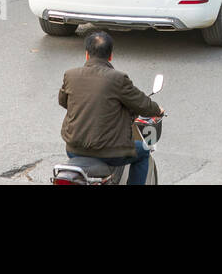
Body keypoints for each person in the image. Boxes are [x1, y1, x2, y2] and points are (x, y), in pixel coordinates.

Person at [59, 31, 163, 186]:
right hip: (109, 153)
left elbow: (63, 101)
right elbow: (142, 104)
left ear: (87, 54)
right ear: (110, 56)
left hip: (73, 149)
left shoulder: (70, 75)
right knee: (143, 151)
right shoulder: (118, 78)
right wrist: (158, 110)